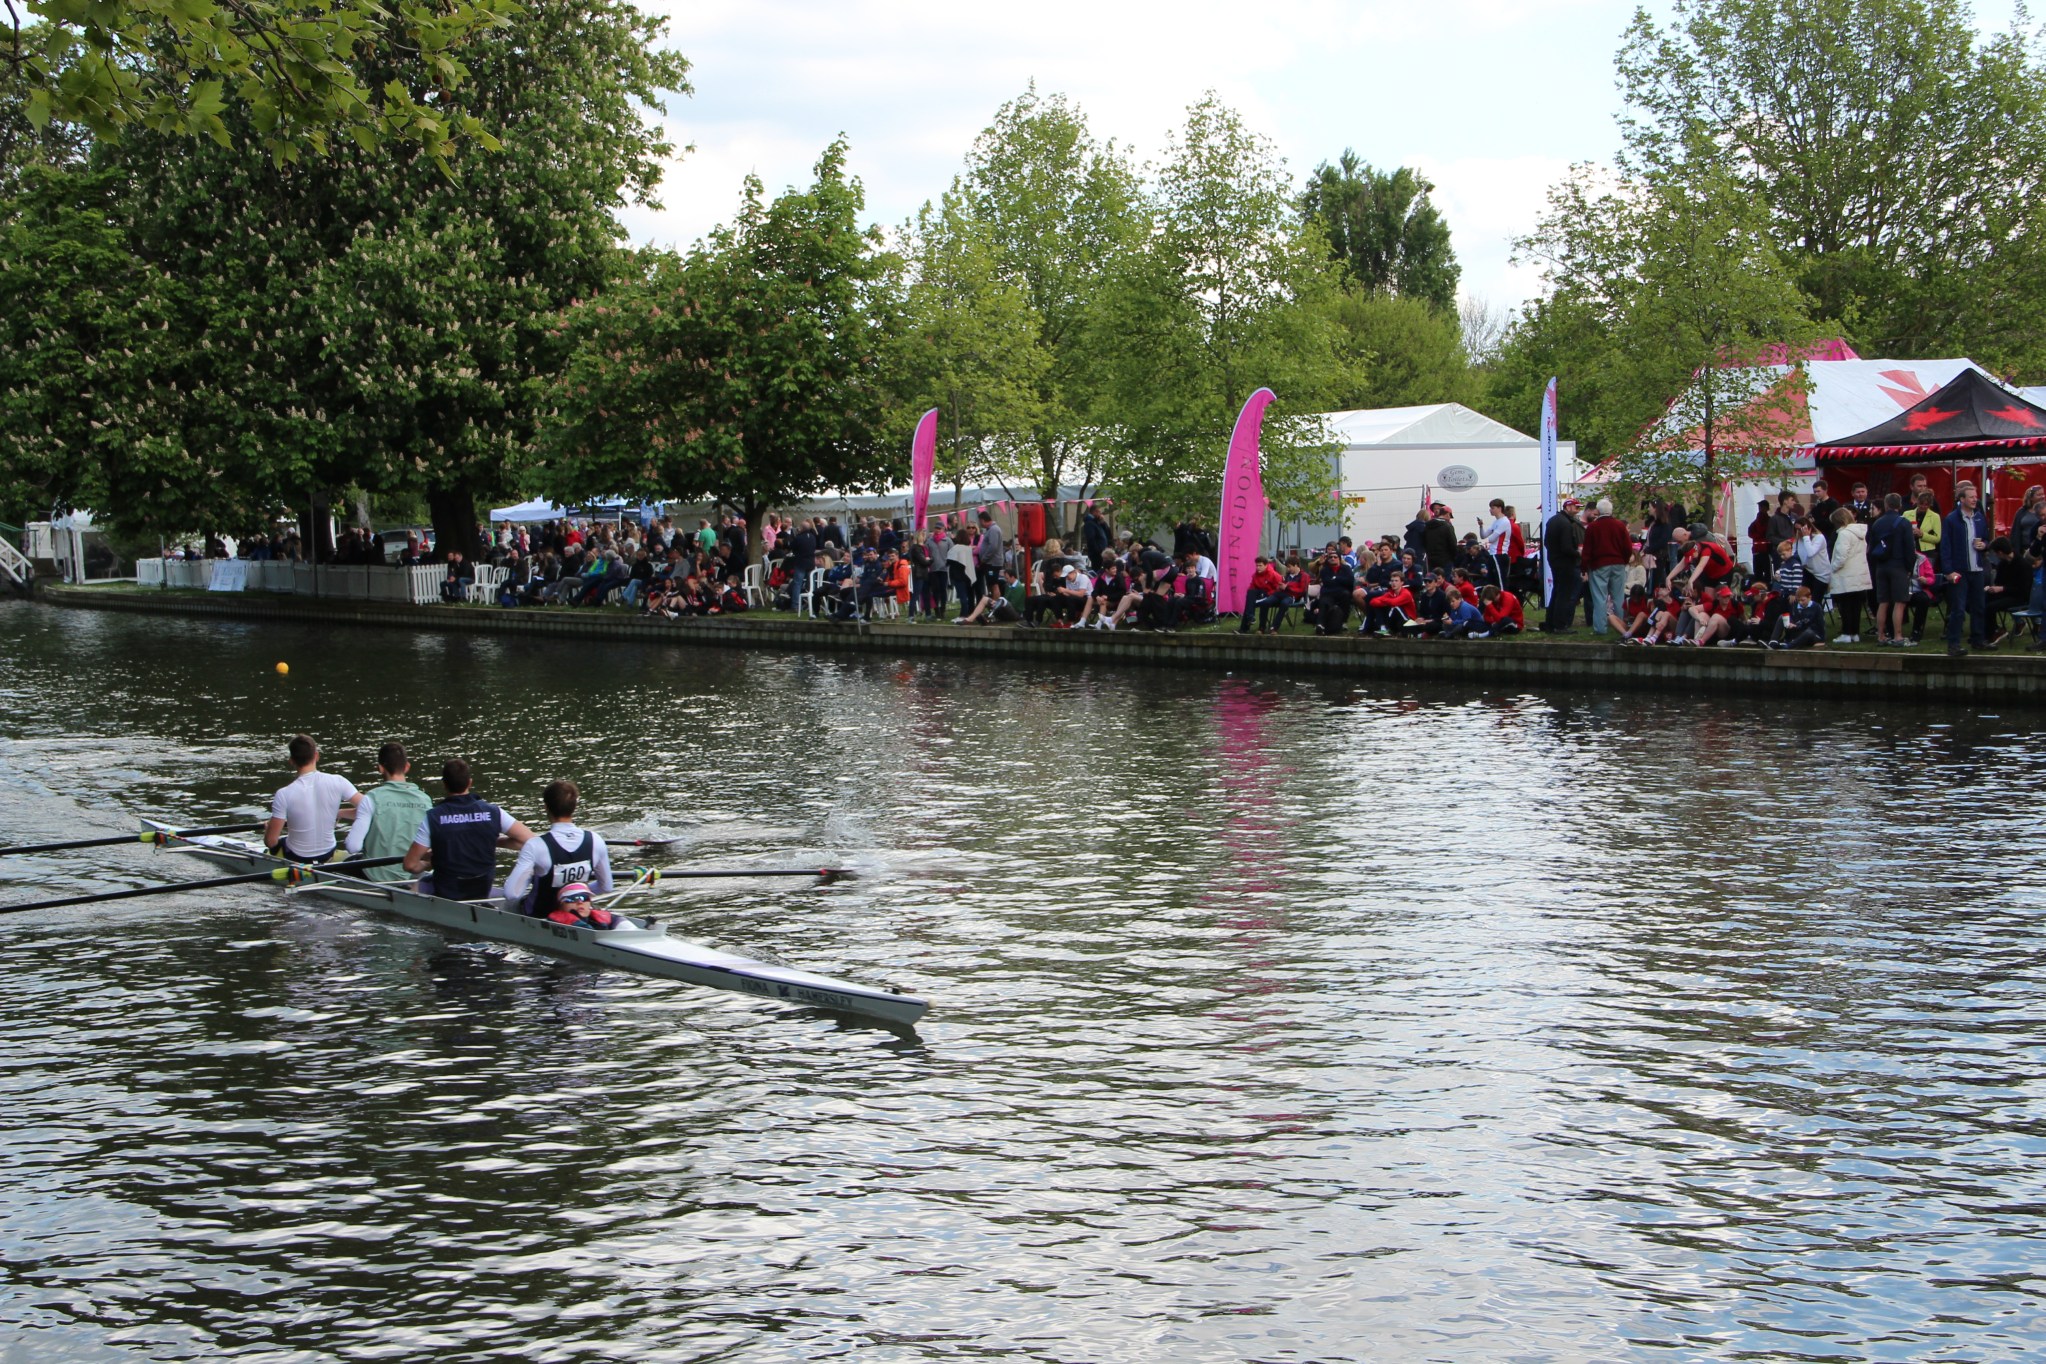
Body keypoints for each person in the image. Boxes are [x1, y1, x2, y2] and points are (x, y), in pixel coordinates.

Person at [402, 758, 533, 901]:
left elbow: (410, 865)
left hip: (447, 889)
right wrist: (490, 840)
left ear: (444, 785)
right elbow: (528, 840)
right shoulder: (494, 812)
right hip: (482, 887)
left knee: (417, 884)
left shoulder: (433, 817)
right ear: (470, 782)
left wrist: (428, 863)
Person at [503, 779, 616, 919]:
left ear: (546, 807)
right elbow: (606, 887)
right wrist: (575, 892)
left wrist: (531, 874)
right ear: (574, 806)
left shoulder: (535, 846)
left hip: (540, 915)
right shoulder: (596, 841)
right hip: (578, 914)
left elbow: (511, 894)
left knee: (508, 904)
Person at [341, 741, 432, 882]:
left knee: (348, 861)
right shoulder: (425, 800)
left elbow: (353, 846)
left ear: (380, 768)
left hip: (375, 875)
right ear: (407, 767)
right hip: (410, 874)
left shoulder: (371, 798)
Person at [264, 734, 360, 861]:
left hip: (297, 857)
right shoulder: (338, 781)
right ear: (317, 755)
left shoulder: (284, 794)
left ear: (291, 760)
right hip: (328, 854)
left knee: (276, 844)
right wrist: (339, 813)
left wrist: (268, 829)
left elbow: (271, 842)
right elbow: (368, 809)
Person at [1937, 482, 1992, 657]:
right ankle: (1953, 643)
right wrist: (1948, 570)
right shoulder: (1952, 519)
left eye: (1976, 497)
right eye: (1971, 497)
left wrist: (1984, 545)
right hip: (1959, 570)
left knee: (1979, 606)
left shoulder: (1979, 517)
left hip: (1977, 569)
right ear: (1962, 499)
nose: (1975, 500)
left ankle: (1978, 639)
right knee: (1958, 608)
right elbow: (1945, 546)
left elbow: (1985, 539)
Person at [1867, 492, 1915, 647]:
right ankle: (1898, 636)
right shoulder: (1904, 523)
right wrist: (1909, 567)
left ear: (1886, 505)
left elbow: (1871, 547)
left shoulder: (1877, 523)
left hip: (1881, 566)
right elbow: (1909, 548)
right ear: (1899, 505)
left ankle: (1881, 636)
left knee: (1883, 602)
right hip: (1898, 565)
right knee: (1899, 602)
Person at [1580, 499, 1631, 635]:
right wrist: (1624, 560)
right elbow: (1627, 547)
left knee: (1599, 598)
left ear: (1598, 511)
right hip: (1618, 563)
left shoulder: (1593, 527)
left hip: (1599, 565)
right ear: (1611, 510)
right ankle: (1619, 625)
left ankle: (1600, 628)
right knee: (1618, 597)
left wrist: (1584, 567)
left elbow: (1587, 550)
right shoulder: (1620, 526)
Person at [1827, 506, 1871, 643]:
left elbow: (1841, 556)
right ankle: (1855, 633)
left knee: (1845, 606)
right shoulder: (1860, 533)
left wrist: (1832, 568)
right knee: (1856, 607)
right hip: (1858, 573)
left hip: (1845, 575)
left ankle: (1846, 633)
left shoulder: (1844, 534)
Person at [1542, 498, 1584, 632]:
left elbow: (1546, 542)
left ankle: (1550, 622)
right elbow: (1566, 547)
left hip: (1554, 560)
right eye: (1576, 507)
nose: (1578, 510)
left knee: (1557, 591)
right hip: (1565, 562)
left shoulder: (1553, 520)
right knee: (1564, 594)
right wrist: (1578, 553)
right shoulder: (1565, 523)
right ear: (1569, 507)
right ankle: (1560, 625)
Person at [973, 510, 1005, 600]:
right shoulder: (990, 530)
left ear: (983, 520)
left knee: (994, 585)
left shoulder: (994, 530)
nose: (980, 524)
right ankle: (993, 605)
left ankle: (995, 607)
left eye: (980, 522)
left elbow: (993, 547)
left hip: (993, 563)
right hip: (989, 563)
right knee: (990, 584)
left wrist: (984, 558)